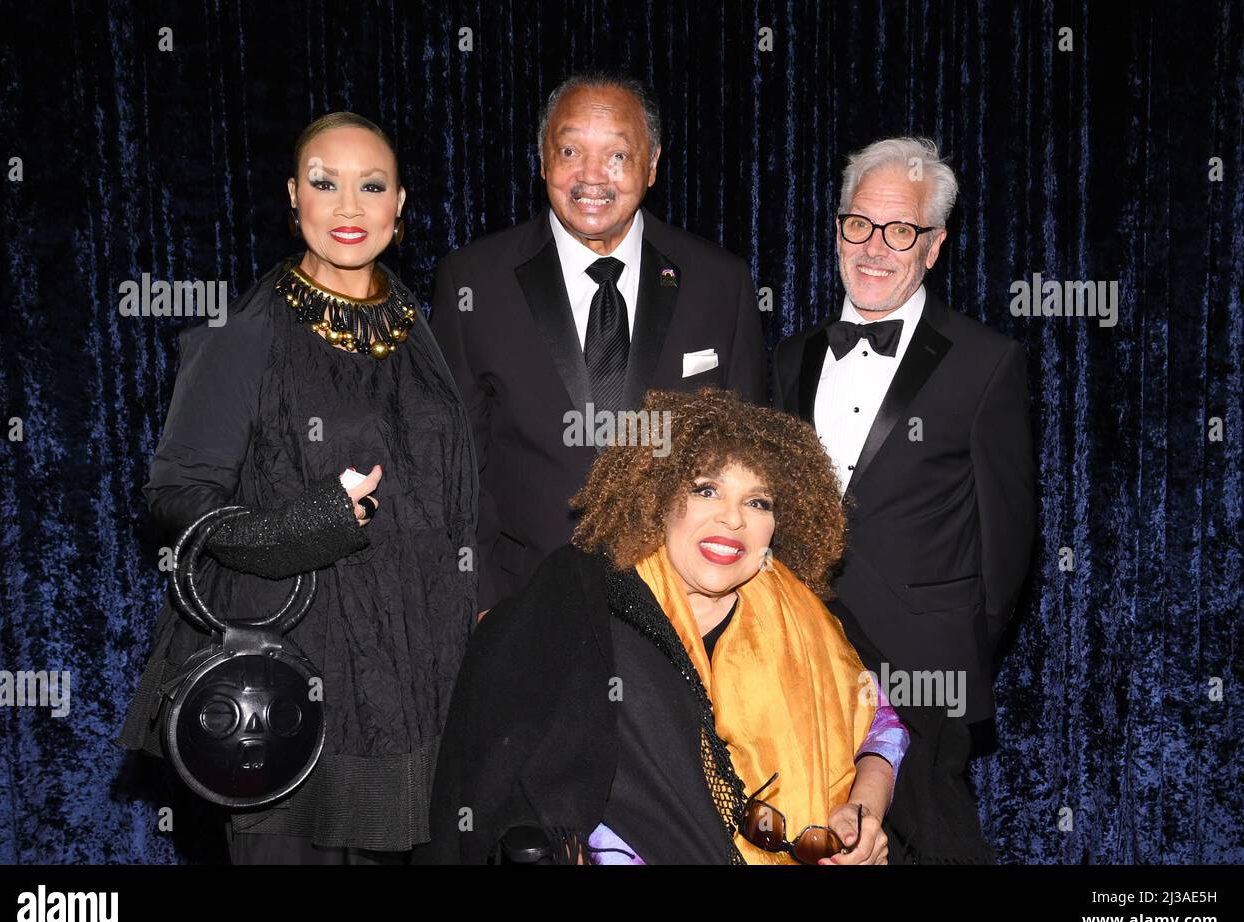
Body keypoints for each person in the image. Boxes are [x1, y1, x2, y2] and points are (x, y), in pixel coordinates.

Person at [117, 111, 478, 864]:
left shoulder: (418, 321)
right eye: (325, 183)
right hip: (298, 671)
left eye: (370, 185)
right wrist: (308, 522)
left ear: (399, 202)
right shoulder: (247, 329)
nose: (349, 208)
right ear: (293, 194)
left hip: (417, 682)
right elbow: (176, 494)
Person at [420, 387, 907, 865]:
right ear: (658, 498)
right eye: (706, 490)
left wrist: (862, 813)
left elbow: (880, 729)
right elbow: (535, 792)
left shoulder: (802, 612)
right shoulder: (586, 610)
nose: (732, 518)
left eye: (758, 502)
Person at [772, 137, 1035, 863]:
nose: (875, 247)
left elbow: (1008, 544)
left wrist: (953, 641)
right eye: (859, 224)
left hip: (926, 672)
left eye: (901, 230)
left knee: (934, 849)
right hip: (803, 661)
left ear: (934, 245)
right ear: (837, 229)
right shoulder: (792, 357)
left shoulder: (987, 362)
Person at [431, 71, 767, 612]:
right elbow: (452, 466)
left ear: (652, 165)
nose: (592, 177)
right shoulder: (473, 282)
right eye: (570, 151)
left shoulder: (719, 283)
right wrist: (484, 604)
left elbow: (746, 462)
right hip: (524, 607)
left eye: (617, 155)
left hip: (681, 609)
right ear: (543, 159)